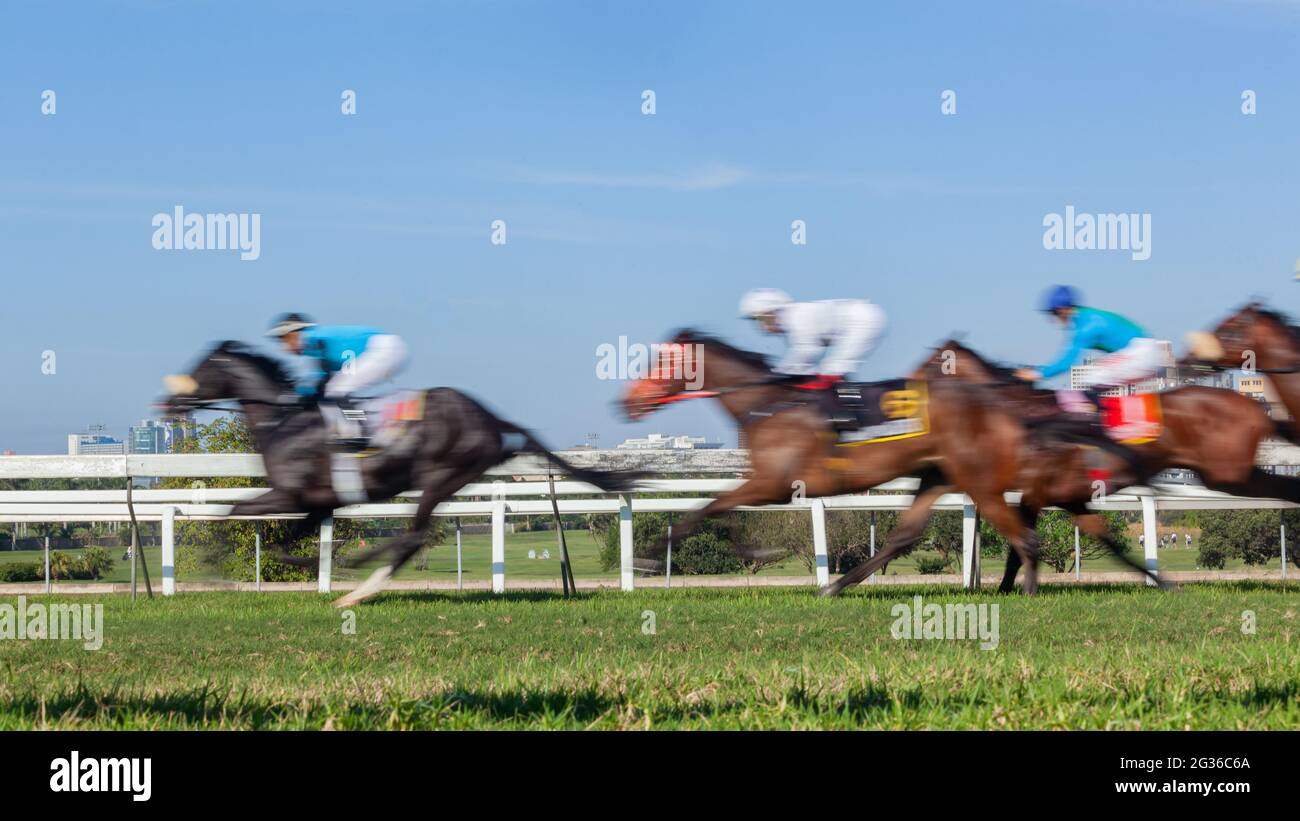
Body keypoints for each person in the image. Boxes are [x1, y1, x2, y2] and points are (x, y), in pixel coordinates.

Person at [739, 289, 888, 427]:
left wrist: (775, 375)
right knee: (828, 370)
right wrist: (780, 374)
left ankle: (855, 416)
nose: (760, 326)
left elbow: (808, 351)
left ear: (772, 313)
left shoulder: (795, 318)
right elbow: (804, 364)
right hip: (861, 319)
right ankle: (845, 411)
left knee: (832, 369)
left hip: (865, 320)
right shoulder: (791, 320)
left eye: (760, 319)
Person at [266, 313, 409, 449]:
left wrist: (295, 395)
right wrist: (298, 394)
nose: (284, 348)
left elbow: (320, 379)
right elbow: (321, 381)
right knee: (336, 391)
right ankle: (362, 427)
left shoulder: (312, 337)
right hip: (388, 348)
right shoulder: (317, 343)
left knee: (337, 390)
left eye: (284, 340)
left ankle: (362, 432)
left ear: (295, 333)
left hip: (384, 349)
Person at [1014, 286, 1166, 409]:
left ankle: (1107, 426)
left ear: (1063, 309)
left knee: (1088, 376)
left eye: (1054, 313)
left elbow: (1067, 363)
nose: (1053, 319)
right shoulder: (1086, 318)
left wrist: (1037, 374)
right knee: (1095, 376)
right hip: (1145, 352)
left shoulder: (1086, 327)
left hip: (1142, 353)